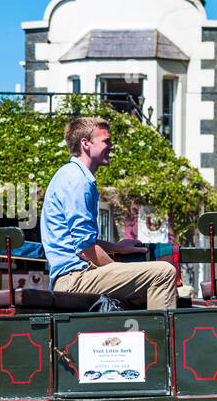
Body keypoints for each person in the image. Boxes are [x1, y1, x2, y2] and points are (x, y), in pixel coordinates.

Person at [40, 116, 178, 309]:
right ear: (85, 143)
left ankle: (136, 335)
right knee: (164, 272)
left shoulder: (72, 176)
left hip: (76, 276)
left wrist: (117, 248)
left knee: (166, 289)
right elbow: (85, 249)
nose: (112, 147)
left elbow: (81, 241)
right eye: (106, 141)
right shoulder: (77, 181)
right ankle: (158, 339)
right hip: (74, 280)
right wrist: (121, 269)